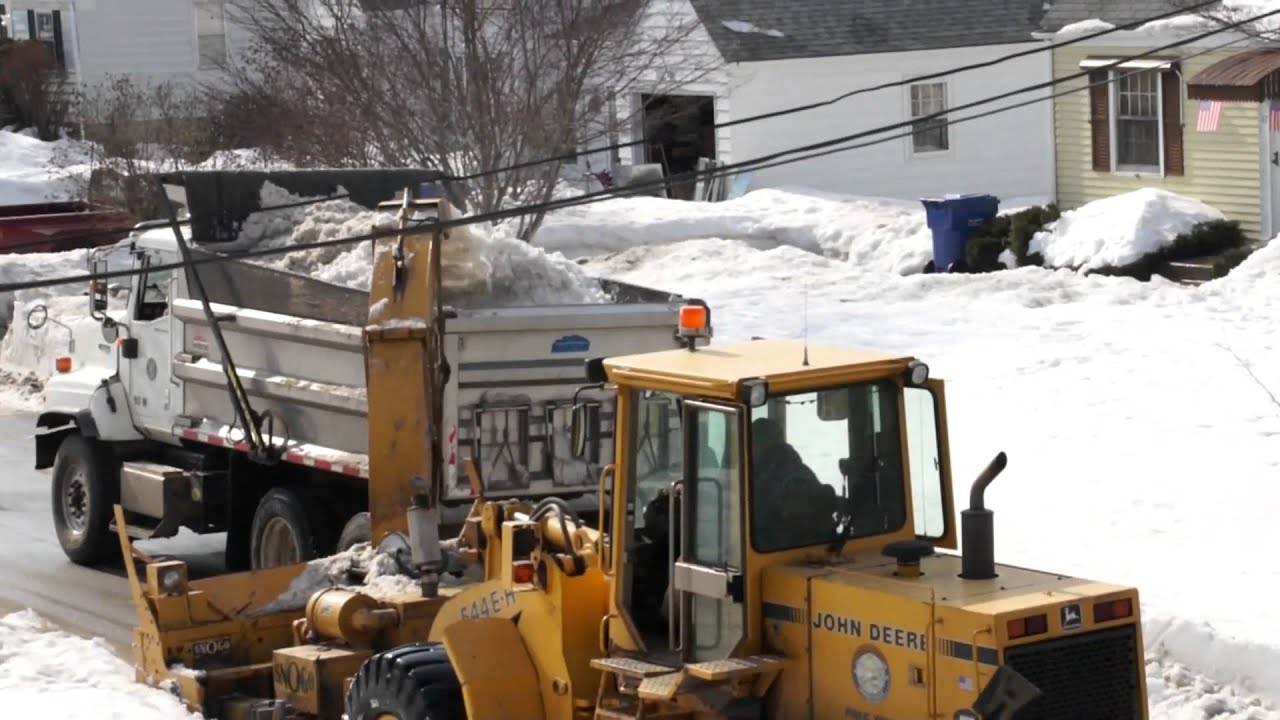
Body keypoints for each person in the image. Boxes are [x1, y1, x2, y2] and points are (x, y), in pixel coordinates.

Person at [750, 417, 836, 547]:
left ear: (765, 444)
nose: (750, 449)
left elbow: (794, 533)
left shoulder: (793, 479)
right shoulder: (764, 471)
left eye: (754, 443)